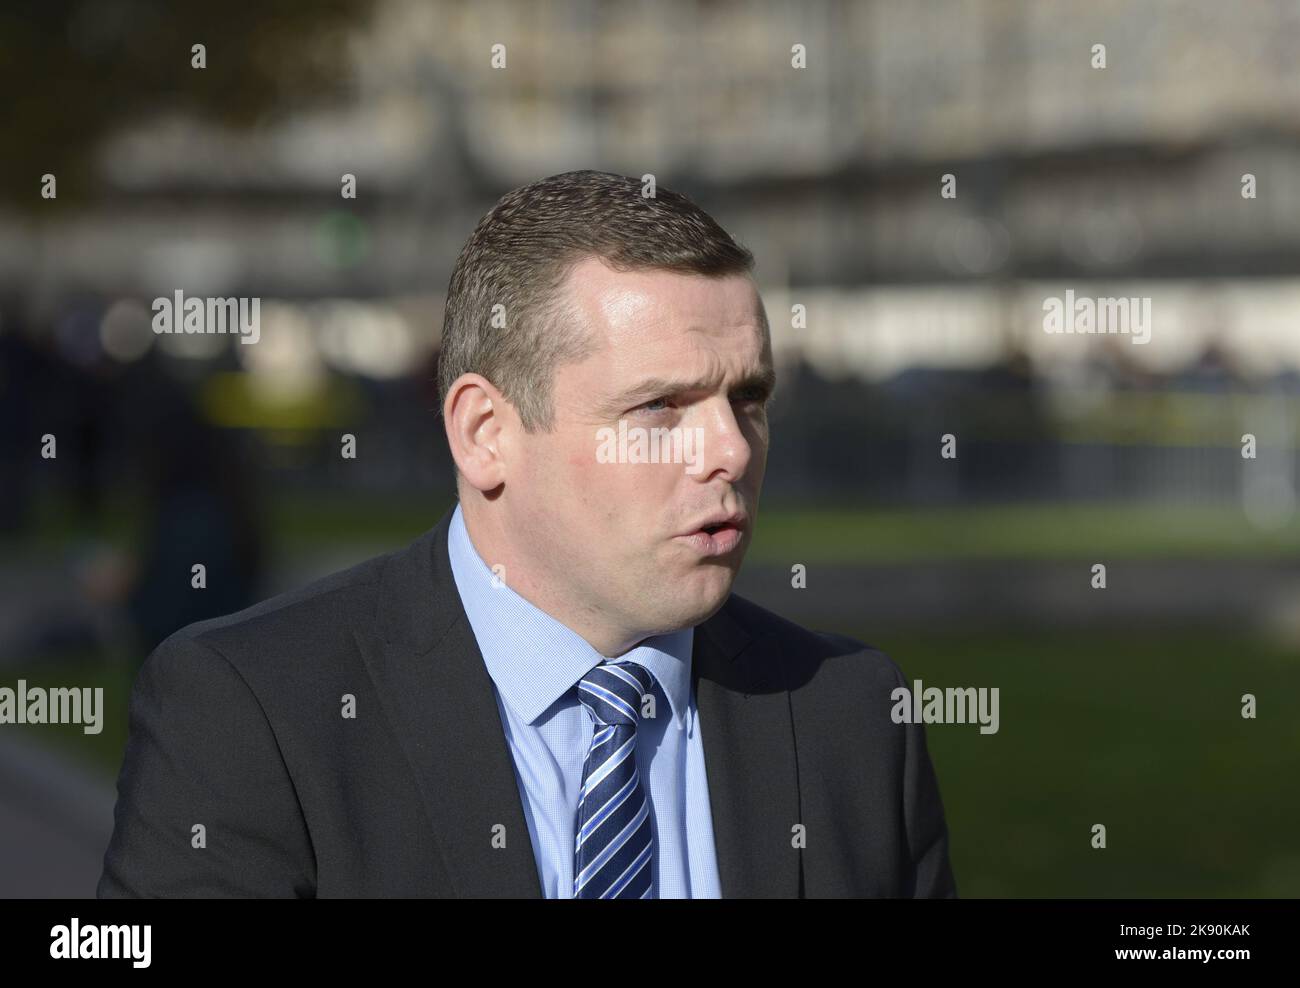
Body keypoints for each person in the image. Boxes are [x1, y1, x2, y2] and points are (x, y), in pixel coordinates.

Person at [98, 170, 956, 898]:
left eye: (749, 399)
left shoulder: (848, 714)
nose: (730, 450)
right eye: (660, 406)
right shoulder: (253, 715)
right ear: (484, 432)